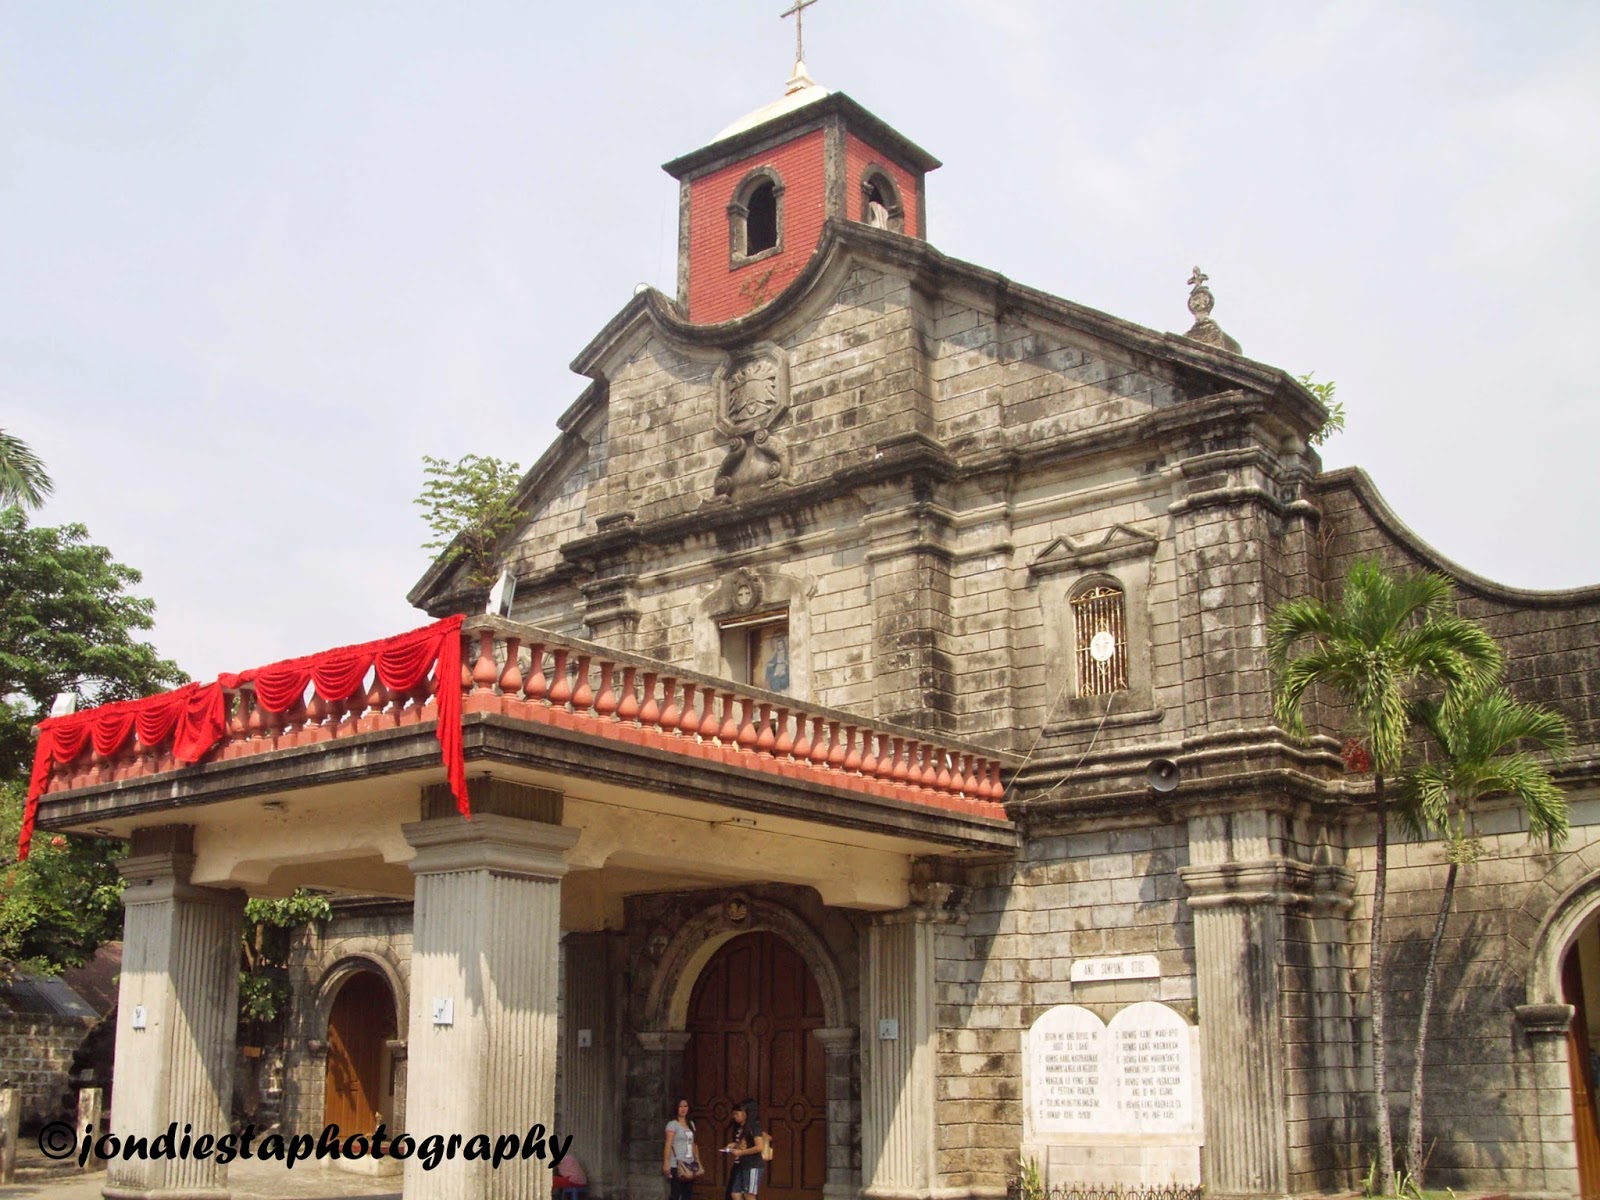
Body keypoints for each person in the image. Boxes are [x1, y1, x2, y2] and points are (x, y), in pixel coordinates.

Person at [724, 1099, 767, 1200]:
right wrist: (734, 1145)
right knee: (735, 1193)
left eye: (743, 1111)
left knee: (749, 1195)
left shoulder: (754, 1126)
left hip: (753, 1165)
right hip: (743, 1165)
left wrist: (741, 1152)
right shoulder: (742, 1127)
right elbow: (746, 1143)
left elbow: (759, 1146)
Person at [664, 1097, 700, 1200]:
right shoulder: (672, 1124)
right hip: (676, 1163)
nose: (683, 1109)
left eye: (685, 1106)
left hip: (690, 1163)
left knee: (687, 1194)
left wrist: (697, 1159)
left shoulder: (691, 1124)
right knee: (676, 1193)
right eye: (680, 1106)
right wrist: (666, 1163)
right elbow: (668, 1144)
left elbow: (694, 1143)